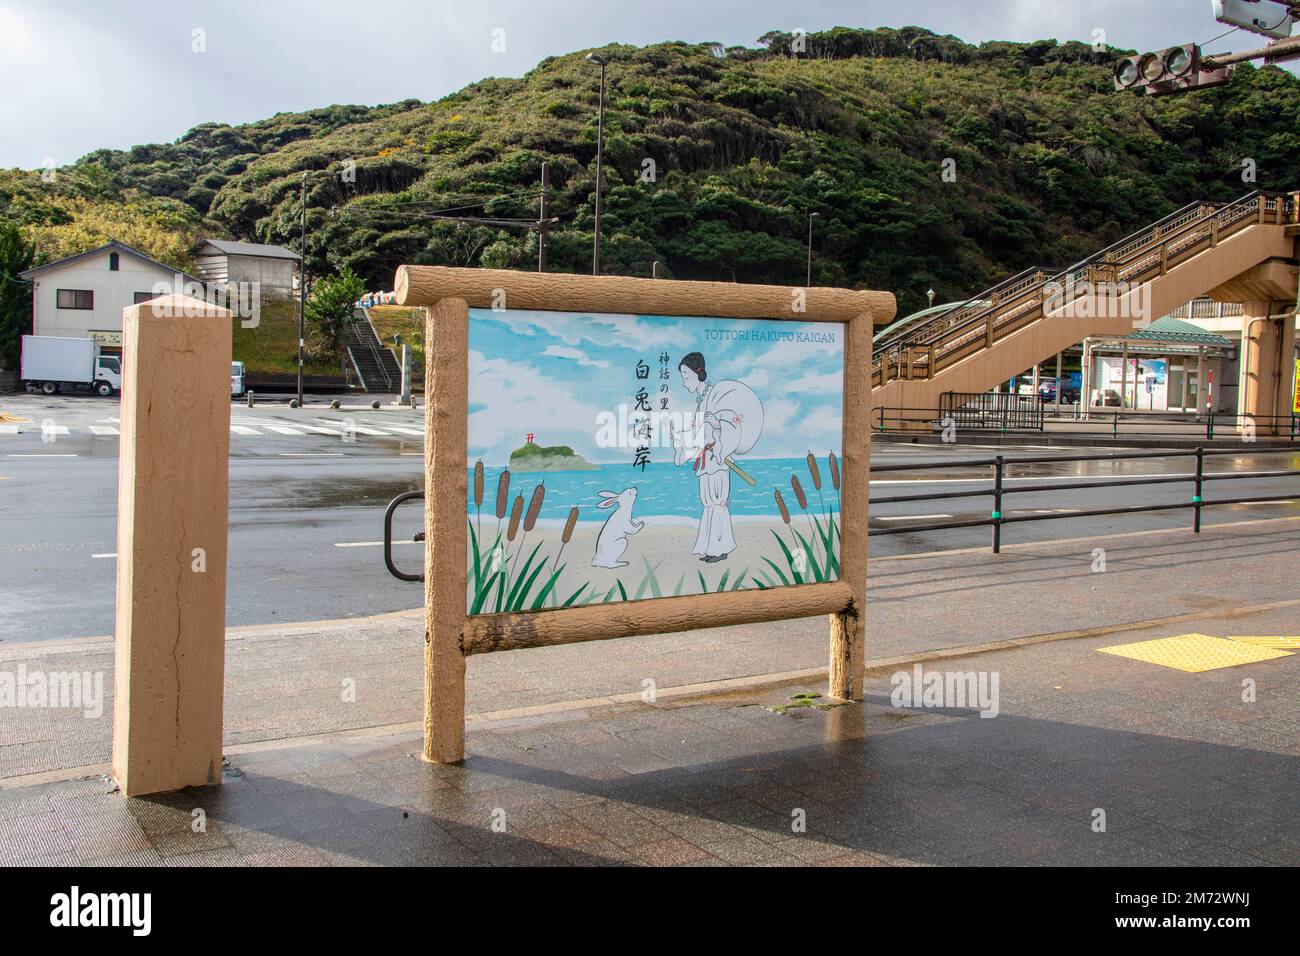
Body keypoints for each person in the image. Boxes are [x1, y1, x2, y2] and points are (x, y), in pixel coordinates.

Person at [669, 352, 763, 563]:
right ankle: (712, 547)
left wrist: (718, 426)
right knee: (710, 502)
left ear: (697, 373)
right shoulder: (703, 401)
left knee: (717, 502)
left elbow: (731, 423)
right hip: (708, 459)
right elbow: (698, 435)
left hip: (717, 460)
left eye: (686, 377)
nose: (684, 383)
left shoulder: (716, 397)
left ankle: (719, 548)